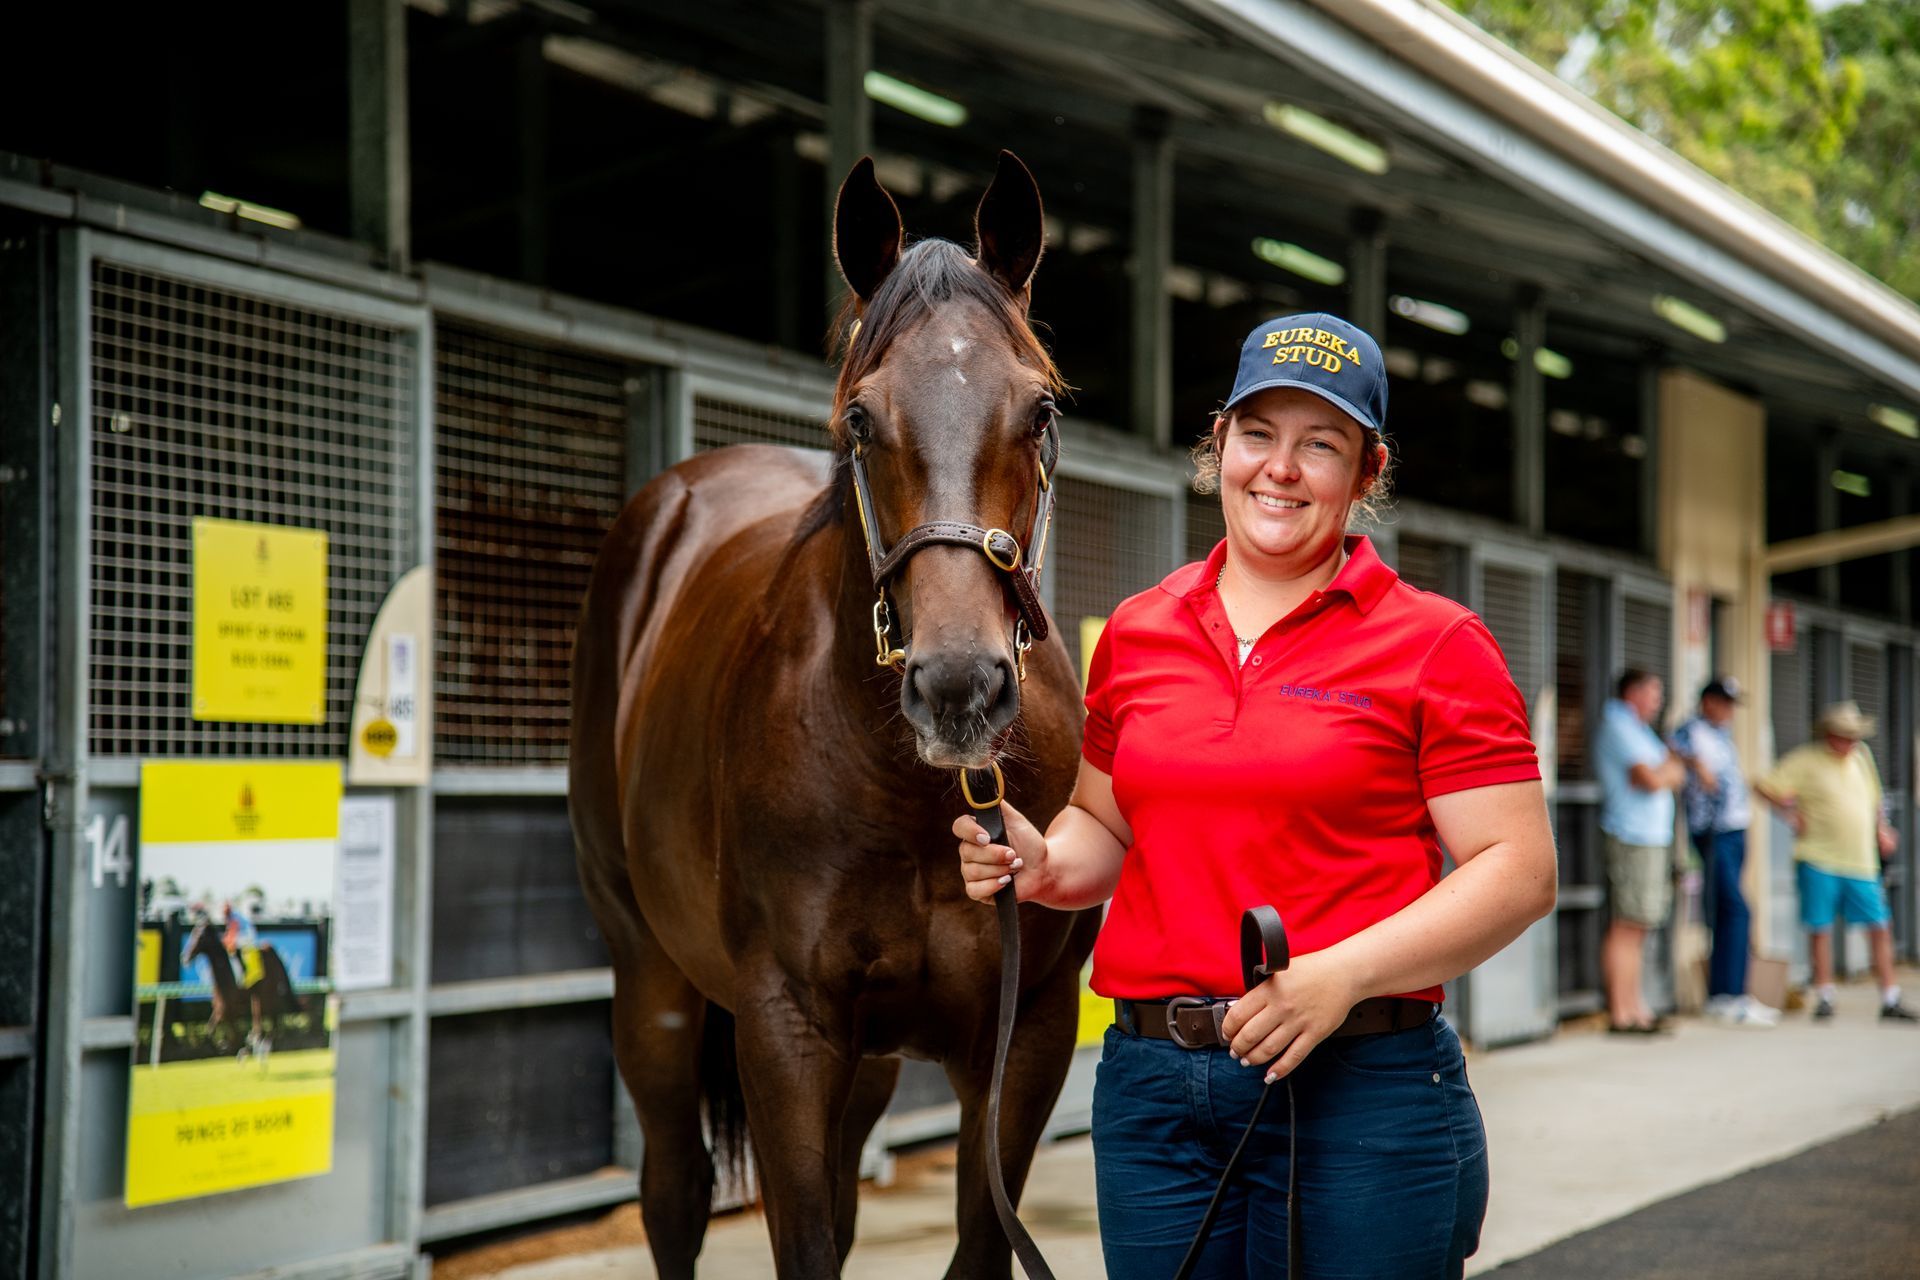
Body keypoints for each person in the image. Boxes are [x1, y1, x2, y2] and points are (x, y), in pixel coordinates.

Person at [952, 312, 1557, 1279]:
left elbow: (1520, 871)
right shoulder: (1144, 630)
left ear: (1366, 476)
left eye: (1321, 444)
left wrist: (1342, 974)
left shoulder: (1436, 643)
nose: (1281, 467)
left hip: (1358, 1090)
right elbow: (1105, 824)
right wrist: (1042, 862)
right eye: (1259, 434)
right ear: (1219, 445)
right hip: (1154, 1091)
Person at [1754, 701, 1918, 1023]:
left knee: (1880, 926)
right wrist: (1789, 814)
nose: (1850, 742)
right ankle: (1825, 995)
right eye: (1844, 736)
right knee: (1821, 927)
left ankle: (1890, 997)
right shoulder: (1805, 760)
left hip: (1861, 860)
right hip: (1819, 857)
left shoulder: (1862, 758)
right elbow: (1764, 785)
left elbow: (1875, 800)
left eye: (1855, 736)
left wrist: (1881, 830)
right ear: (1829, 734)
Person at [1670, 677, 1777, 1027]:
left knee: (1731, 909)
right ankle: (1728, 995)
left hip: (1734, 830)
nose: (1730, 711)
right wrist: (1696, 768)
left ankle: (1728, 993)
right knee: (1735, 909)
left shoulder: (1720, 734)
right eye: (1725, 703)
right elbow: (1673, 746)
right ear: (1709, 702)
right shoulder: (1691, 730)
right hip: (1714, 831)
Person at [1593, 669, 1684, 1034]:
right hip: (1631, 836)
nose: (1658, 701)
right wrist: (1665, 772)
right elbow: (1652, 779)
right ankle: (1621, 1013)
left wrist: (1665, 772)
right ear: (1633, 692)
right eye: (1654, 692)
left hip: (1650, 838)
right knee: (1626, 926)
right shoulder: (1618, 723)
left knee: (1640, 927)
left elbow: (1671, 773)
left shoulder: (1640, 728)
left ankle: (1637, 1008)